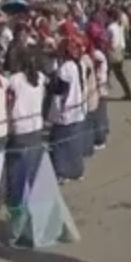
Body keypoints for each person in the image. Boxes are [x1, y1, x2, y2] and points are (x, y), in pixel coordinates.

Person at [4, 48, 46, 212]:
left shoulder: (14, 80)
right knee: (32, 166)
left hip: (20, 128)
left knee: (16, 168)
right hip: (36, 126)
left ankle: (16, 201)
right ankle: (30, 198)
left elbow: (8, 101)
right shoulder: (41, 78)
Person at [47, 37, 86, 184]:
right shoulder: (77, 65)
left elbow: (60, 90)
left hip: (65, 110)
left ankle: (61, 173)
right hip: (76, 108)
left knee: (59, 143)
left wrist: (49, 85)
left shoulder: (66, 68)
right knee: (74, 143)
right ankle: (77, 171)